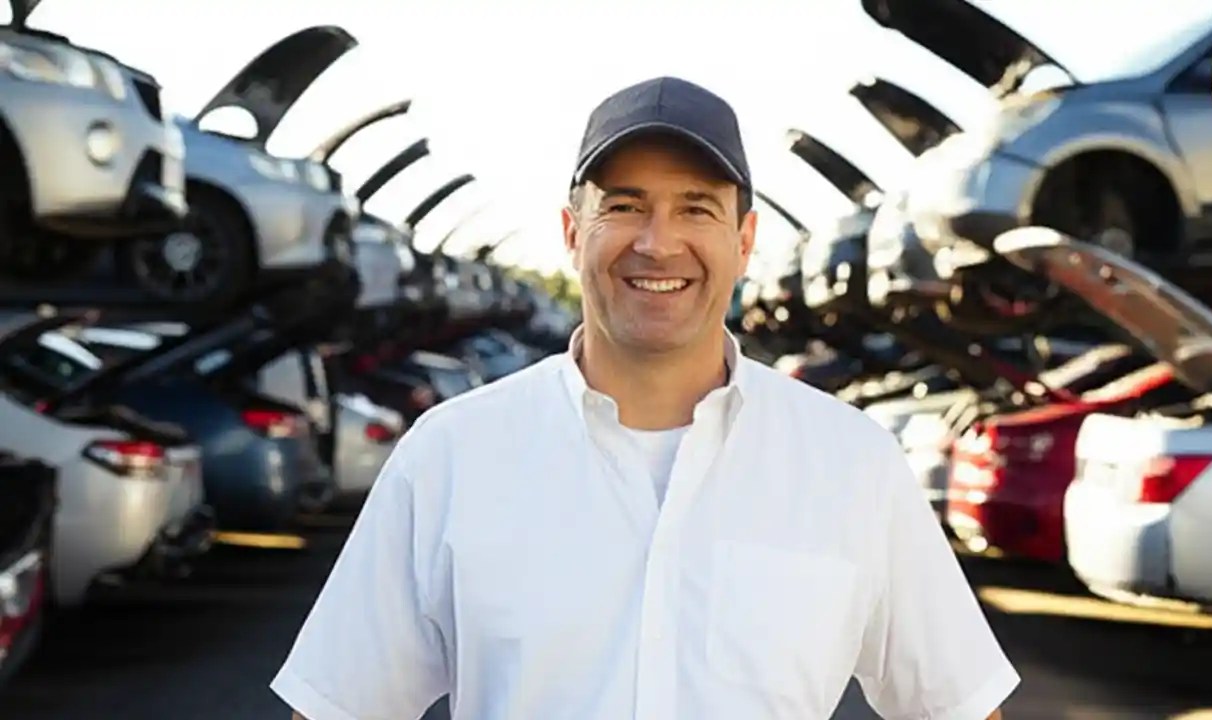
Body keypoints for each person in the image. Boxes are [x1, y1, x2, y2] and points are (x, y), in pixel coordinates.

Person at [270, 75, 1018, 720]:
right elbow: (337, 704)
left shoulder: (853, 465)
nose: (658, 243)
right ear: (573, 232)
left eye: (696, 208)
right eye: (625, 206)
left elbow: (959, 704)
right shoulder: (450, 456)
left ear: (744, 240)